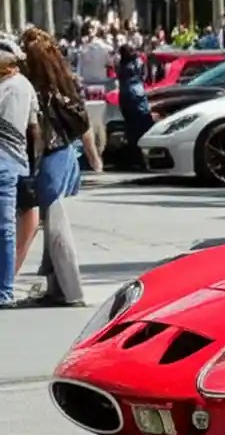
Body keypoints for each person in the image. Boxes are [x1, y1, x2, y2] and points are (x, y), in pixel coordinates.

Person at [12, 27, 99, 308]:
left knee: (52, 227)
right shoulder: (64, 83)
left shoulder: (29, 87)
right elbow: (83, 124)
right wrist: (94, 157)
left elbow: (34, 133)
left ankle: (68, 289)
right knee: (55, 226)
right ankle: (59, 287)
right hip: (63, 156)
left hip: (46, 160)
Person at [0, 39, 39, 309]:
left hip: (7, 164)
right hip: (15, 162)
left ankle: (4, 290)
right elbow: (34, 128)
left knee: (6, 228)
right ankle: (4, 290)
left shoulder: (15, 86)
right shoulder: (25, 86)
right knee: (6, 228)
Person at [115, 44, 152, 170]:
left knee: (131, 128)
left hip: (126, 96)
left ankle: (134, 158)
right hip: (136, 96)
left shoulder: (121, 65)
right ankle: (141, 158)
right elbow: (143, 75)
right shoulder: (136, 62)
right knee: (142, 127)